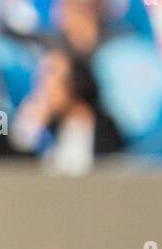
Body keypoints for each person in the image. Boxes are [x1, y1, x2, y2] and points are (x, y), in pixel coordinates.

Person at [12, 46, 125, 175]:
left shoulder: (105, 128)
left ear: (75, 80)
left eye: (50, 74)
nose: (42, 87)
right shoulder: (47, 129)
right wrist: (29, 128)